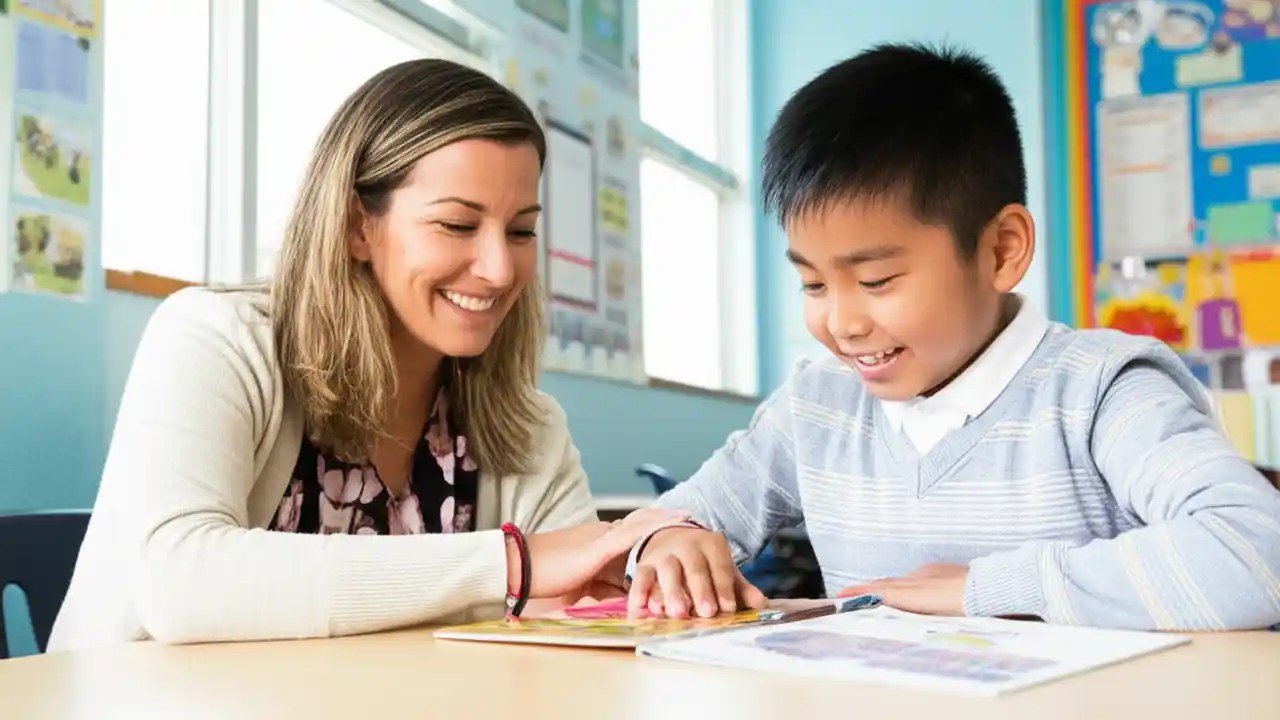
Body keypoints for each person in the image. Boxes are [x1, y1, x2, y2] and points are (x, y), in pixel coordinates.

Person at [623, 42, 1280, 631]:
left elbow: (1256, 551)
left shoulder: (1102, 391)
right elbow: (665, 524)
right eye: (815, 286)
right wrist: (666, 543)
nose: (842, 323)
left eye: (877, 280)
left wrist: (985, 588)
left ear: (1001, 250)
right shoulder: (816, 407)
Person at [49, 59, 681, 651]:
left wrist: (652, 573)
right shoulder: (215, 337)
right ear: (357, 226)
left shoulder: (528, 425)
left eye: (520, 231)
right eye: (458, 225)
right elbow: (176, 583)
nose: (497, 269)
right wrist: (513, 562)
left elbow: (573, 605)